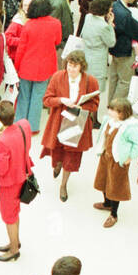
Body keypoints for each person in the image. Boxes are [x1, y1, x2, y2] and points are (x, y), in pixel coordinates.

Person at [39, 51, 101, 202]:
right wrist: (61, 100)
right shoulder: (58, 77)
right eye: (69, 65)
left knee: (72, 156)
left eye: (75, 66)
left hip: (78, 123)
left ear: (82, 67)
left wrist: (83, 108)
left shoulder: (90, 81)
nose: (71, 69)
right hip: (59, 121)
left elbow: (95, 103)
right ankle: (58, 165)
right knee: (58, 150)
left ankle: (63, 185)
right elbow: (47, 100)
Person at [0, 99, 33, 262]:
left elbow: (1, 168)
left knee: (9, 215)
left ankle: (14, 249)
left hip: (9, 182)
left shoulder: (2, 142)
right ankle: (15, 241)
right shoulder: (24, 125)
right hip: (23, 172)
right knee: (15, 212)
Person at [93, 98, 138, 228]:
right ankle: (107, 203)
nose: (109, 111)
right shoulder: (109, 121)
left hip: (118, 161)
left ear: (122, 113)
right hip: (106, 156)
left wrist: (130, 157)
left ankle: (114, 214)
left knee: (115, 186)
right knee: (103, 180)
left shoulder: (129, 128)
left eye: (112, 110)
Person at [13, 0, 61, 134]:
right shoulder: (56, 23)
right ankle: (33, 127)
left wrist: (16, 67)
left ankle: (20, 124)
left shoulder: (28, 25)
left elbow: (21, 49)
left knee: (24, 96)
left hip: (27, 66)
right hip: (46, 66)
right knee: (38, 97)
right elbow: (57, 41)